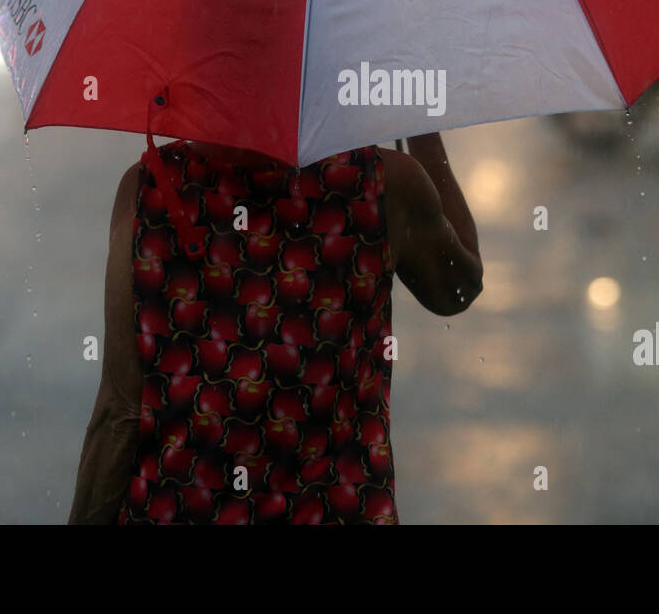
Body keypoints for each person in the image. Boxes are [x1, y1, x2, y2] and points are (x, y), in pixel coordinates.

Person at [68, 132, 482, 524]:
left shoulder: (150, 189)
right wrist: (423, 128)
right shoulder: (382, 183)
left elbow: (119, 414)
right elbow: (457, 290)